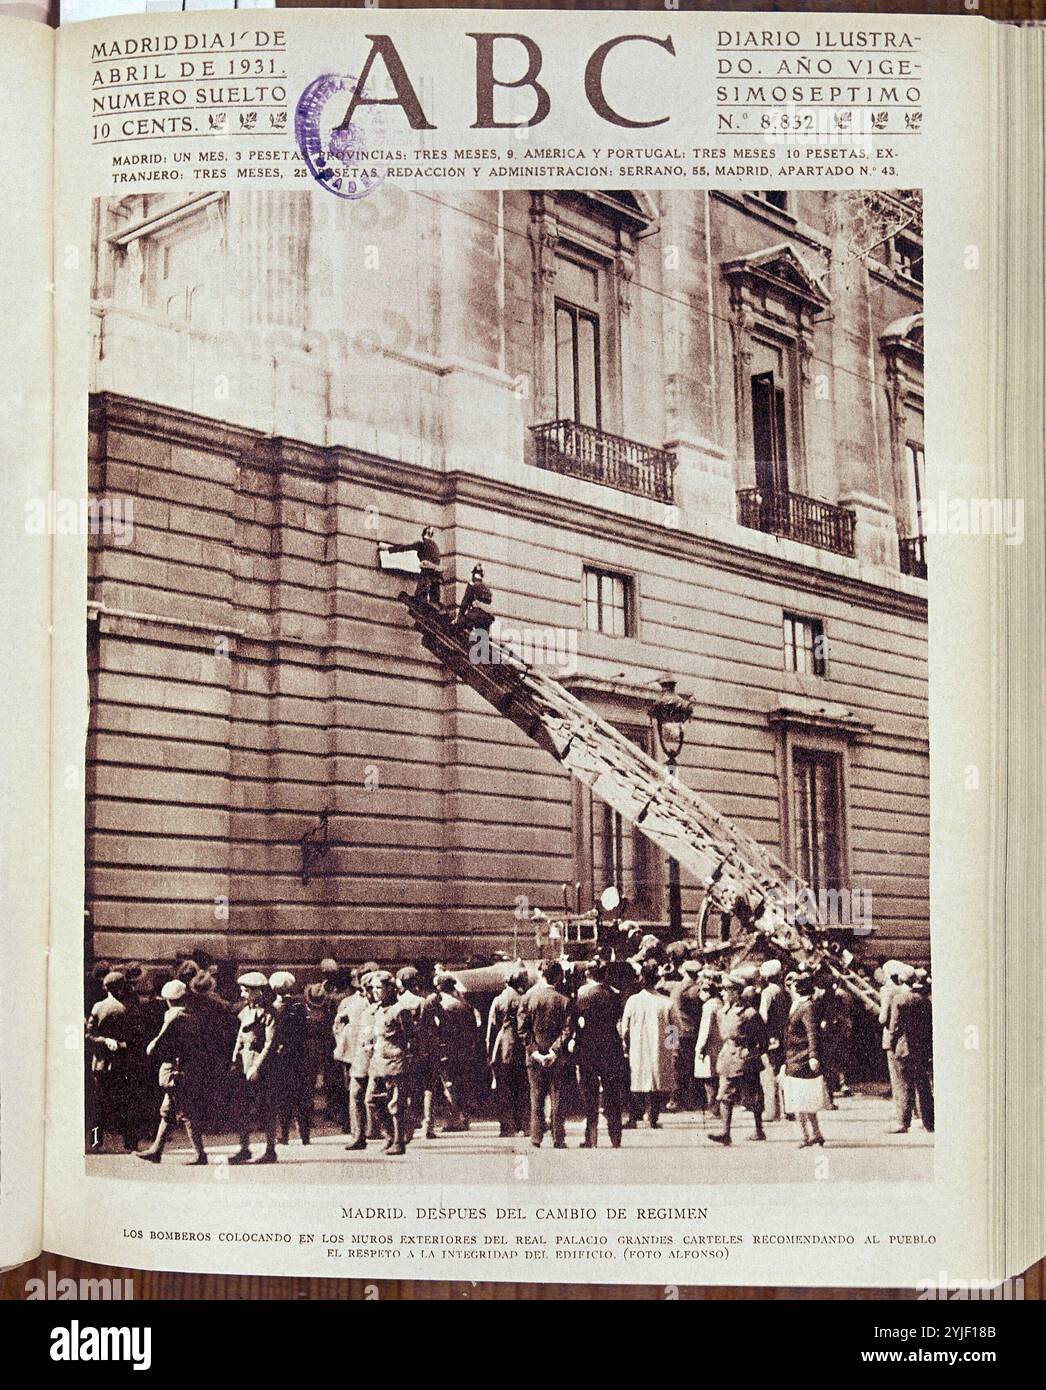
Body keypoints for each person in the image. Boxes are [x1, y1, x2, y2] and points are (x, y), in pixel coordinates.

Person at [137, 979, 207, 1166]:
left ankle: (200, 1154)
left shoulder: (174, 1015)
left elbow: (160, 1039)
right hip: (187, 1069)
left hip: (177, 1070)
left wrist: (152, 1046)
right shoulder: (191, 1015)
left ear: (169, 1000)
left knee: (186, 1113)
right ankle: (156, 1150)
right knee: (167, 1111)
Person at [85, 970, 146, 1153]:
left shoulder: (97, 1007)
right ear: (121, 987)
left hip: (101, 1064)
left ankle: (96, 1143)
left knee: (98, 1107)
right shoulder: (130, 1008)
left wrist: (104, 1040)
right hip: (124, 1064)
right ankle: (130, 1144)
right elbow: (138, 1038)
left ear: (106, 988)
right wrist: (119, 1044)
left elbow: (89, 1035)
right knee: (129, 1105)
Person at [518, 959, 575, 1149]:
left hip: (534, 1059)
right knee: (558, 1097)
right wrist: (554, 1051)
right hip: (558, 1059)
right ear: (559, 977)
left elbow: (523, 1030)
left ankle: (536, 1136)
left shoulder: (528, 999)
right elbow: (568, 1030)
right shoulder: (565, 1001)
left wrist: (535, 1052)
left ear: (542, 975)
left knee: (536, 1097)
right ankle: (558, 1137)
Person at [708, 980, 769, 1145]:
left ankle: (758, 1129)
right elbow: (724, 1036)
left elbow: (763, 1040)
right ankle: (725, 1132)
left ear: (735, 992)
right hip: (728, 1057)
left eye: (726, 990)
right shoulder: (722, 1012)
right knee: (725, 1095)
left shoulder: (749, 1013)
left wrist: (751, 1052)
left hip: (746, 1060)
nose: (722, 993)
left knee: (754, 1095)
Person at [573, 959, 626, 1149]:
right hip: (611, 1047)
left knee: (590, 1095)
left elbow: (579, 1022)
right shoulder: (615, 994)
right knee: (612, 1094)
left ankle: (591, 1137)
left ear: (588, 975)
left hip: (589, 1048)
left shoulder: (583, 995)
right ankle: (615, 1137)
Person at [229, 972, 279, 1164]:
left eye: (246, 991)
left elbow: (270, 1043)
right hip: (244, 1063)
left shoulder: (269, 1013)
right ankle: (244, 1148)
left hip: (262, 1067)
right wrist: (235, 1060)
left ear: (257, 992)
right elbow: (240, 1037)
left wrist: (257, 1067)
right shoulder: (246, 1011)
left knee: (266, 1108)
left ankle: (270, 1150)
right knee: (242, 1108)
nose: (242, 994)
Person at [620, 959, 675, 1129]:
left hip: (637, 1048)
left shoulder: (632, 1001)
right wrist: (672, 1049)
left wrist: (625, 1044)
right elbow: (674, 1028)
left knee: (637, 1080)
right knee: (656, 1082)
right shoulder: (666, 1003)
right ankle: (652, 1116)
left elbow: (625, 1028)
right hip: (660, 1048)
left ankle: (633, 1117)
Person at [429, 973, 479, 1132]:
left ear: (440, 987)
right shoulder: (464, 1004)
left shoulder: (442, 1005)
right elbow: (473, 1028)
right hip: (464, 1051)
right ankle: (465, 1118)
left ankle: (453, 1120)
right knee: (463, 1083)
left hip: (447, 1050)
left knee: (449, 1085)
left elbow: (436, 1028)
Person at [884, 975, 934, 1133]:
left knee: (903, 1085)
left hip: (903, 1047)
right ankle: (929, 1122)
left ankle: (903, 1122)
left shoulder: (899, 1000)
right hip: (921, 1048)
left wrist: (892, 1045)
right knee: (923, 1085)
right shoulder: (925, 1001)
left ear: (902, 981)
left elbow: (894, 1026)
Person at [783, 975, 828, 1148]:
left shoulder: (806, 1007)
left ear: (797, 989)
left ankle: (805, 1136)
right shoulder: (803, 1005)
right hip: (795, 1056)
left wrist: (813, 1055)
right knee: (805, 1099)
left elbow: (812, 1033)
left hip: (800, 1058)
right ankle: (816, 1134)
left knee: (798, 1099)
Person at [373, 972, 415, 1155]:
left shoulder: (400, 1010)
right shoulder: (378, 1010)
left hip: (396, 1063)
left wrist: (407, 1060)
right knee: (373, 1100)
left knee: (396, 1104)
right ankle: (389, 1136)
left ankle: (399, 1141)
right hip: (378, 1062)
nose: (375, 991)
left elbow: (411, 1038)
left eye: (378, 988)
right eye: (373, 988)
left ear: (390, 989)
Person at [270, 971, 314, 1146]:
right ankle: (305, 1135)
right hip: (301, 1056)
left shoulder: (274, 1008)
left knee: (284, 1098)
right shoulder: (301, 1006)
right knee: (302, 1097)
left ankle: (284, 1135)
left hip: (282, 1058)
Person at [487, 965, 530, 1137]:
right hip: (519, 1046)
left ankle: (506, 1126)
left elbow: (491, 1027)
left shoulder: (498, 1000)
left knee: (504, 1088)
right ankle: (523, 1124)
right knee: (521, 1087)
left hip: (502, 1046)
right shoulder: (523, 999)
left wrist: (490, 1052)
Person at [879, 961, 915, 1124]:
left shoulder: (888, 991)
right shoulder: (906, 990)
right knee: (913, 1079)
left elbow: (883, 1018)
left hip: (892, 1039)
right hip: (910, 1039)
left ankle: (901, 1116)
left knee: (898, 1080)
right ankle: (916, 1112)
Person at [667, 961, 704, 1111]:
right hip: (687, 1032)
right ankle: (686, 1100)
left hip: (672, 1030)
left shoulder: (675, 987)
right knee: (688, 1067)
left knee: (674, 1065)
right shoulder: (693, 990)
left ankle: (674, 1098)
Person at [759, 960, 791, 1123]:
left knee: (769, 1075)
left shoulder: (767, 993)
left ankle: (772, 1111)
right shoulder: (784, 992)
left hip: (770, 1039)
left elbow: (763, 1017)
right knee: (782, 1074)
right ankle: (787, 1109)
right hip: (783, 1037)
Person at [693, 974, 725, 1117]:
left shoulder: (708, 1006)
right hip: (721, 1044)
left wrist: (699, 1047)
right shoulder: (720, 1003)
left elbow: (705, 1029)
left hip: (709, 1045)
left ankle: (713, 1108)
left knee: (709, 1079)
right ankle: (719, 1107)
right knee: (718, 1077)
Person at [453, 563, 496, 637]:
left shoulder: (472, 585)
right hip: (487, 618)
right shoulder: (486, 588)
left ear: (473, 574)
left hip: (475, 614)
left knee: (460, 625)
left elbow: (465, 602)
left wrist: (459, 618)